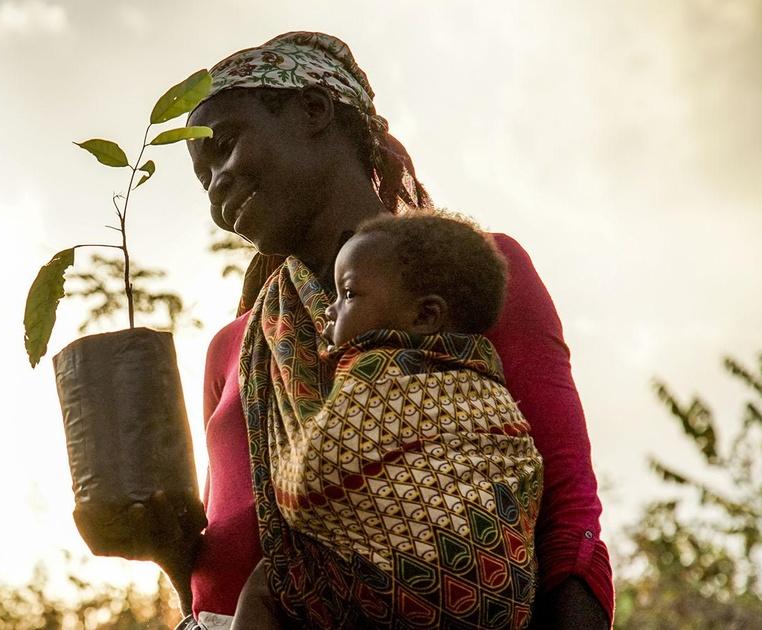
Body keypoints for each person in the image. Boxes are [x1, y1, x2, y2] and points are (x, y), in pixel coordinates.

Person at [146, 32, 611, 629]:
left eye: (226, 146)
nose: (216, 187)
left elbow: (567, 510)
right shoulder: (232, 349)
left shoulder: (470, 275)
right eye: (202, 177)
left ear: (315, 110)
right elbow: (225, 561)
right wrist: (165, 547)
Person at [230, 212, 544, 629]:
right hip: (505, 594)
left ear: (425, 315)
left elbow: (314, 475)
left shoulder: (376, 370)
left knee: (272, 580)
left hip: (424, 588)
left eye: (348, 295)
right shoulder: (486, 378)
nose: (330, 310)